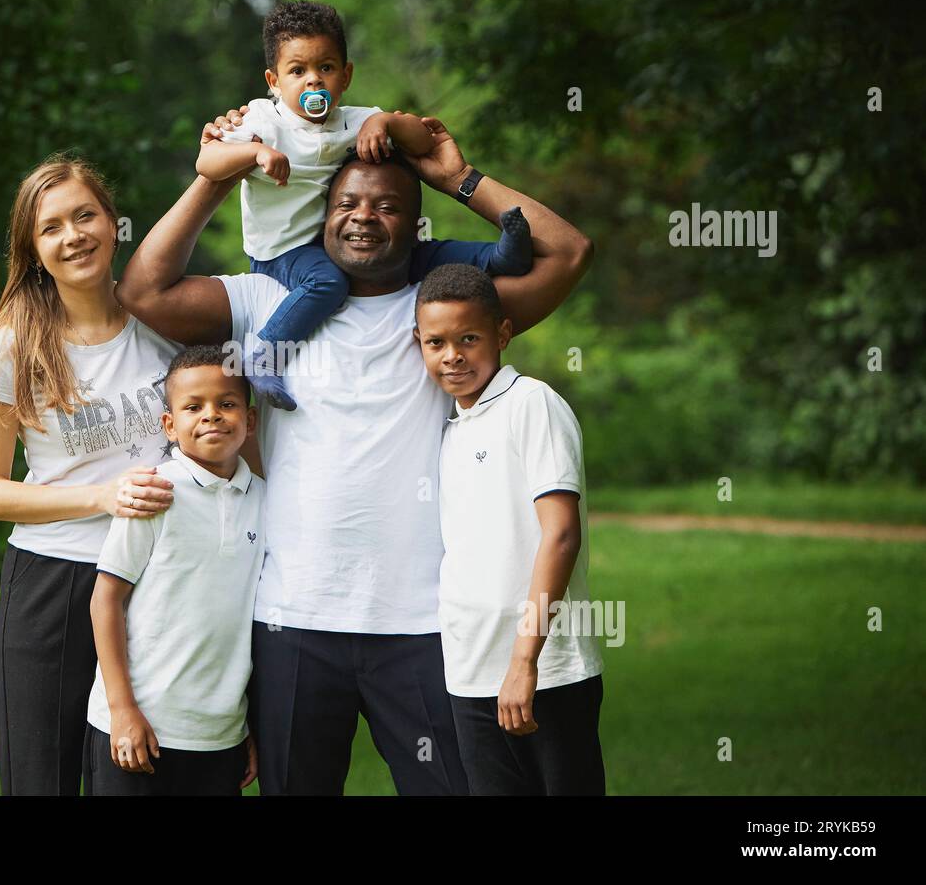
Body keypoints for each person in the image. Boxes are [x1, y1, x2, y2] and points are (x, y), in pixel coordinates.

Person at [115, 110, 594, 795]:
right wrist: (220, 171)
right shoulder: (268, 299)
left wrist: (460, 178)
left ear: (416, 224)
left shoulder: (443, 316)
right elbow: (142, 291)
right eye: (348, 203)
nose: (364, 217)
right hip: (292, 622)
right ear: (322, 213)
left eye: (388, 206)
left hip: (425, 625)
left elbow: (569, 253)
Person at [0, 153, 184, 795]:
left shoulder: (162, 321)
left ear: (115, 223)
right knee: (41, 782)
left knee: (139, 779)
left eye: (85, 215)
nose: (73, 236)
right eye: (51, 227)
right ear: (32, 250)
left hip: (155, 579)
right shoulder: (11, 344)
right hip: (53, 586)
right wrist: (103, 497)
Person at [196, 0, 531, 410]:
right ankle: (267, 352)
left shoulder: (356, 120)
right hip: (283, 251)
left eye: (326, 68)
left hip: (342, 243)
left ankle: (501, 256)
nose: (313, 81)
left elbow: (423, 140)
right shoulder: (264, 122)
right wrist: (253, 155)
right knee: (328, 283)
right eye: (297, 71)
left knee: (424, 253)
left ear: (346, 75)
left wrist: (386, 122)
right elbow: (206, 161)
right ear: (274, 80)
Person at [414, 263, 605, 795]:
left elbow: (561, 533)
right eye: (437, 342)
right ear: (420, 345)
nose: (452, 355)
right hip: (472, 671)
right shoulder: (451, 427)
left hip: (547, 668)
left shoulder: (531, 404)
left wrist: (525, 660)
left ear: (502, 333)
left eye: (468, 338)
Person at [86, 345, 265, 795]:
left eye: (227, 404)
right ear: (169, 424)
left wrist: (245, 728)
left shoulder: (266, 500)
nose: (212, 416)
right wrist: (122, 709)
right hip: (139, 728)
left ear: (251, 419)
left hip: (220, 734)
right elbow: (105, 599)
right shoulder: (154, 493)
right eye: (193, 407)